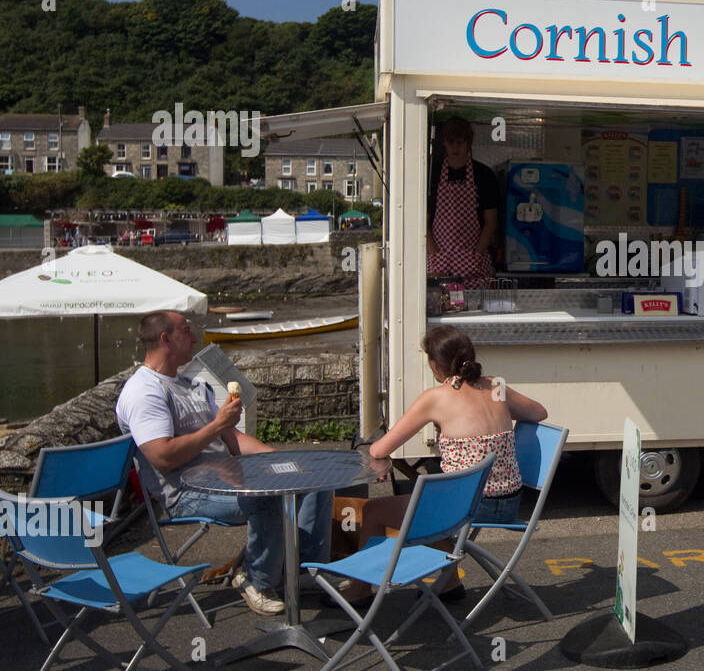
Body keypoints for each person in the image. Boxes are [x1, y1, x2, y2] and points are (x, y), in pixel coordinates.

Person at [115, 310, 334, 616]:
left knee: (315, 479)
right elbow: (162, 457)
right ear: (165, 338)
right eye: (187, 331)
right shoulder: (145, 392)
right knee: (270, 498)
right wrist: (215, 427)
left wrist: (283, 460)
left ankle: (300, 572)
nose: (194, 338)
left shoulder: (190, 385)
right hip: (186, 492)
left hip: (227, 476)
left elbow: (231, 439)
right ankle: (255, 580)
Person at [333, 325, 547, 602]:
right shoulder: (497, 386)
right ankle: (448, 584)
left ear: (435, 365)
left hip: (465, 509)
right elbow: (539, 412)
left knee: (377, 510)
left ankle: (360, 591)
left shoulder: (436, 398)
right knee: (433, 502)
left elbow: (380, 449)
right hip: (508, 504)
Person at [427, 116, 500, 286]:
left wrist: (476, 255)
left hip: (475, 258)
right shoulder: (432, 174)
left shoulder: (484, 175)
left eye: (460, 142)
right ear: (444, 142)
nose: (455, 147)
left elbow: (491, 222)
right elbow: (424, 221)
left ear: (469, 143)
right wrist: (435, 255)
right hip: (438, 258)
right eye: (451, 142)